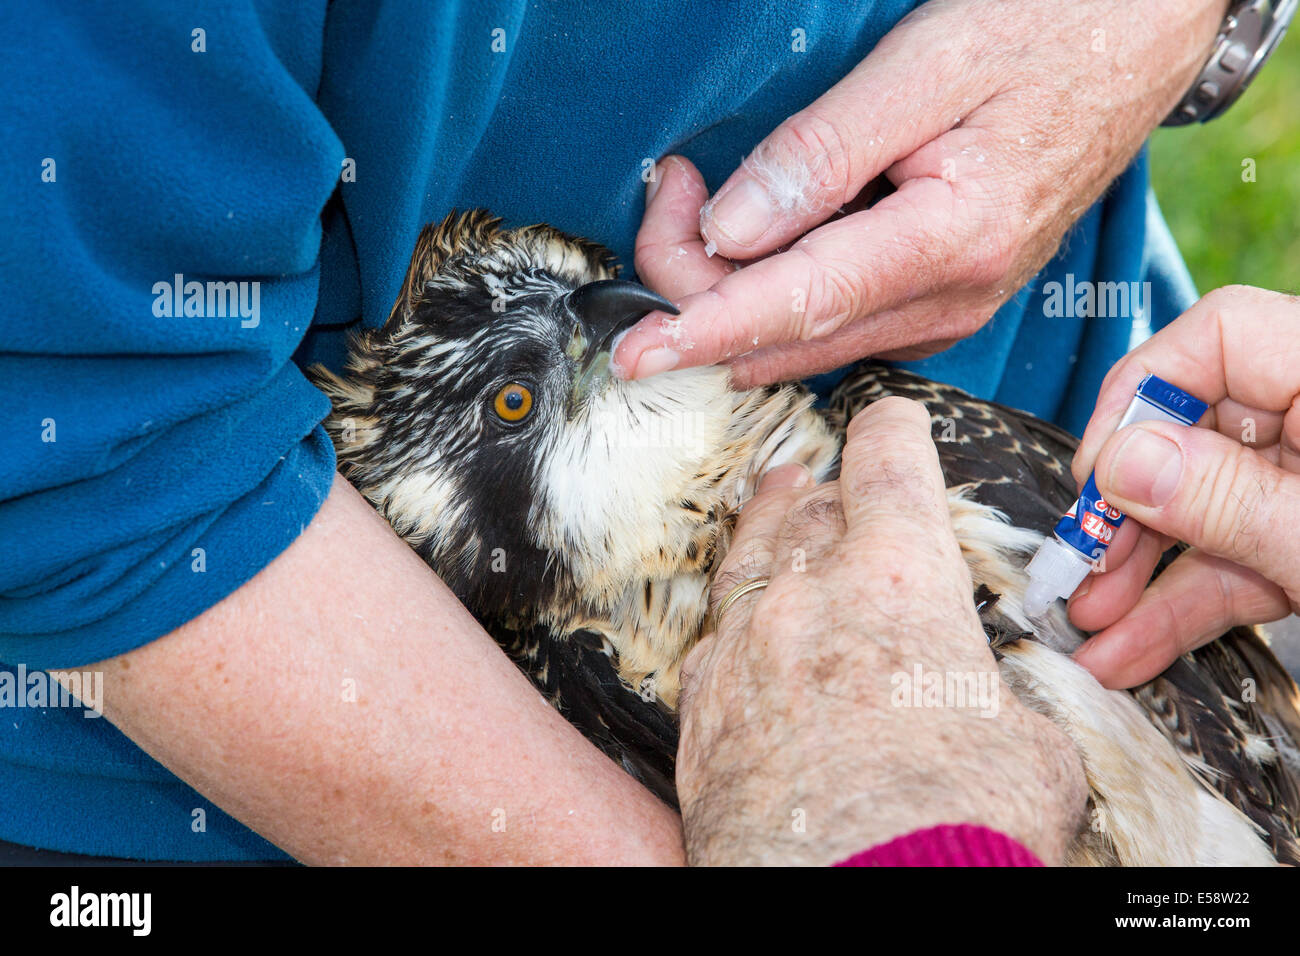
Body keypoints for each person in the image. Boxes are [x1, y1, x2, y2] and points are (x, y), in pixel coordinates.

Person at [0, 1, 1235, 863]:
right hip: (303, 789)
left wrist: (1167, 23)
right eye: (524, 399)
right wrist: (874, 838)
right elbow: (98, 452)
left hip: (1113, 468)